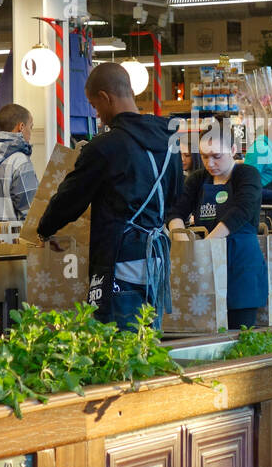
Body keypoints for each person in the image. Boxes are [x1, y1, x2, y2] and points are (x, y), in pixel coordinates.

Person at [37, 62, 183, 330]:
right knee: (148, 349)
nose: (98, 114)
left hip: (119, 261)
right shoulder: (170, 139)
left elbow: (71, 198)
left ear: (105, 98)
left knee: (116, 347)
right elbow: (176, 196)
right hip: (156, 261)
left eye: (95, 106)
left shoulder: (105, 146)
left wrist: (44, 229)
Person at [167, 121, 267, 330]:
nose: (210, 163)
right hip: (205, 266)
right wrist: (185, 244)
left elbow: (241, 211)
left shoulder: (247, 175)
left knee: (241, 335)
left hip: (241, 265)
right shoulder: (197, 179)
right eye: (204, 157)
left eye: (216, 156)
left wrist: (206, 246)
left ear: (232, 150)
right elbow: (175, 212)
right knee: (206, 331)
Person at [0, 103, 40, 225]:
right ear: (21, 127)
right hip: (11, 240)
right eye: (30, 127)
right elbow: (30, 213)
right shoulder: (19, 161)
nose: (30, 133)